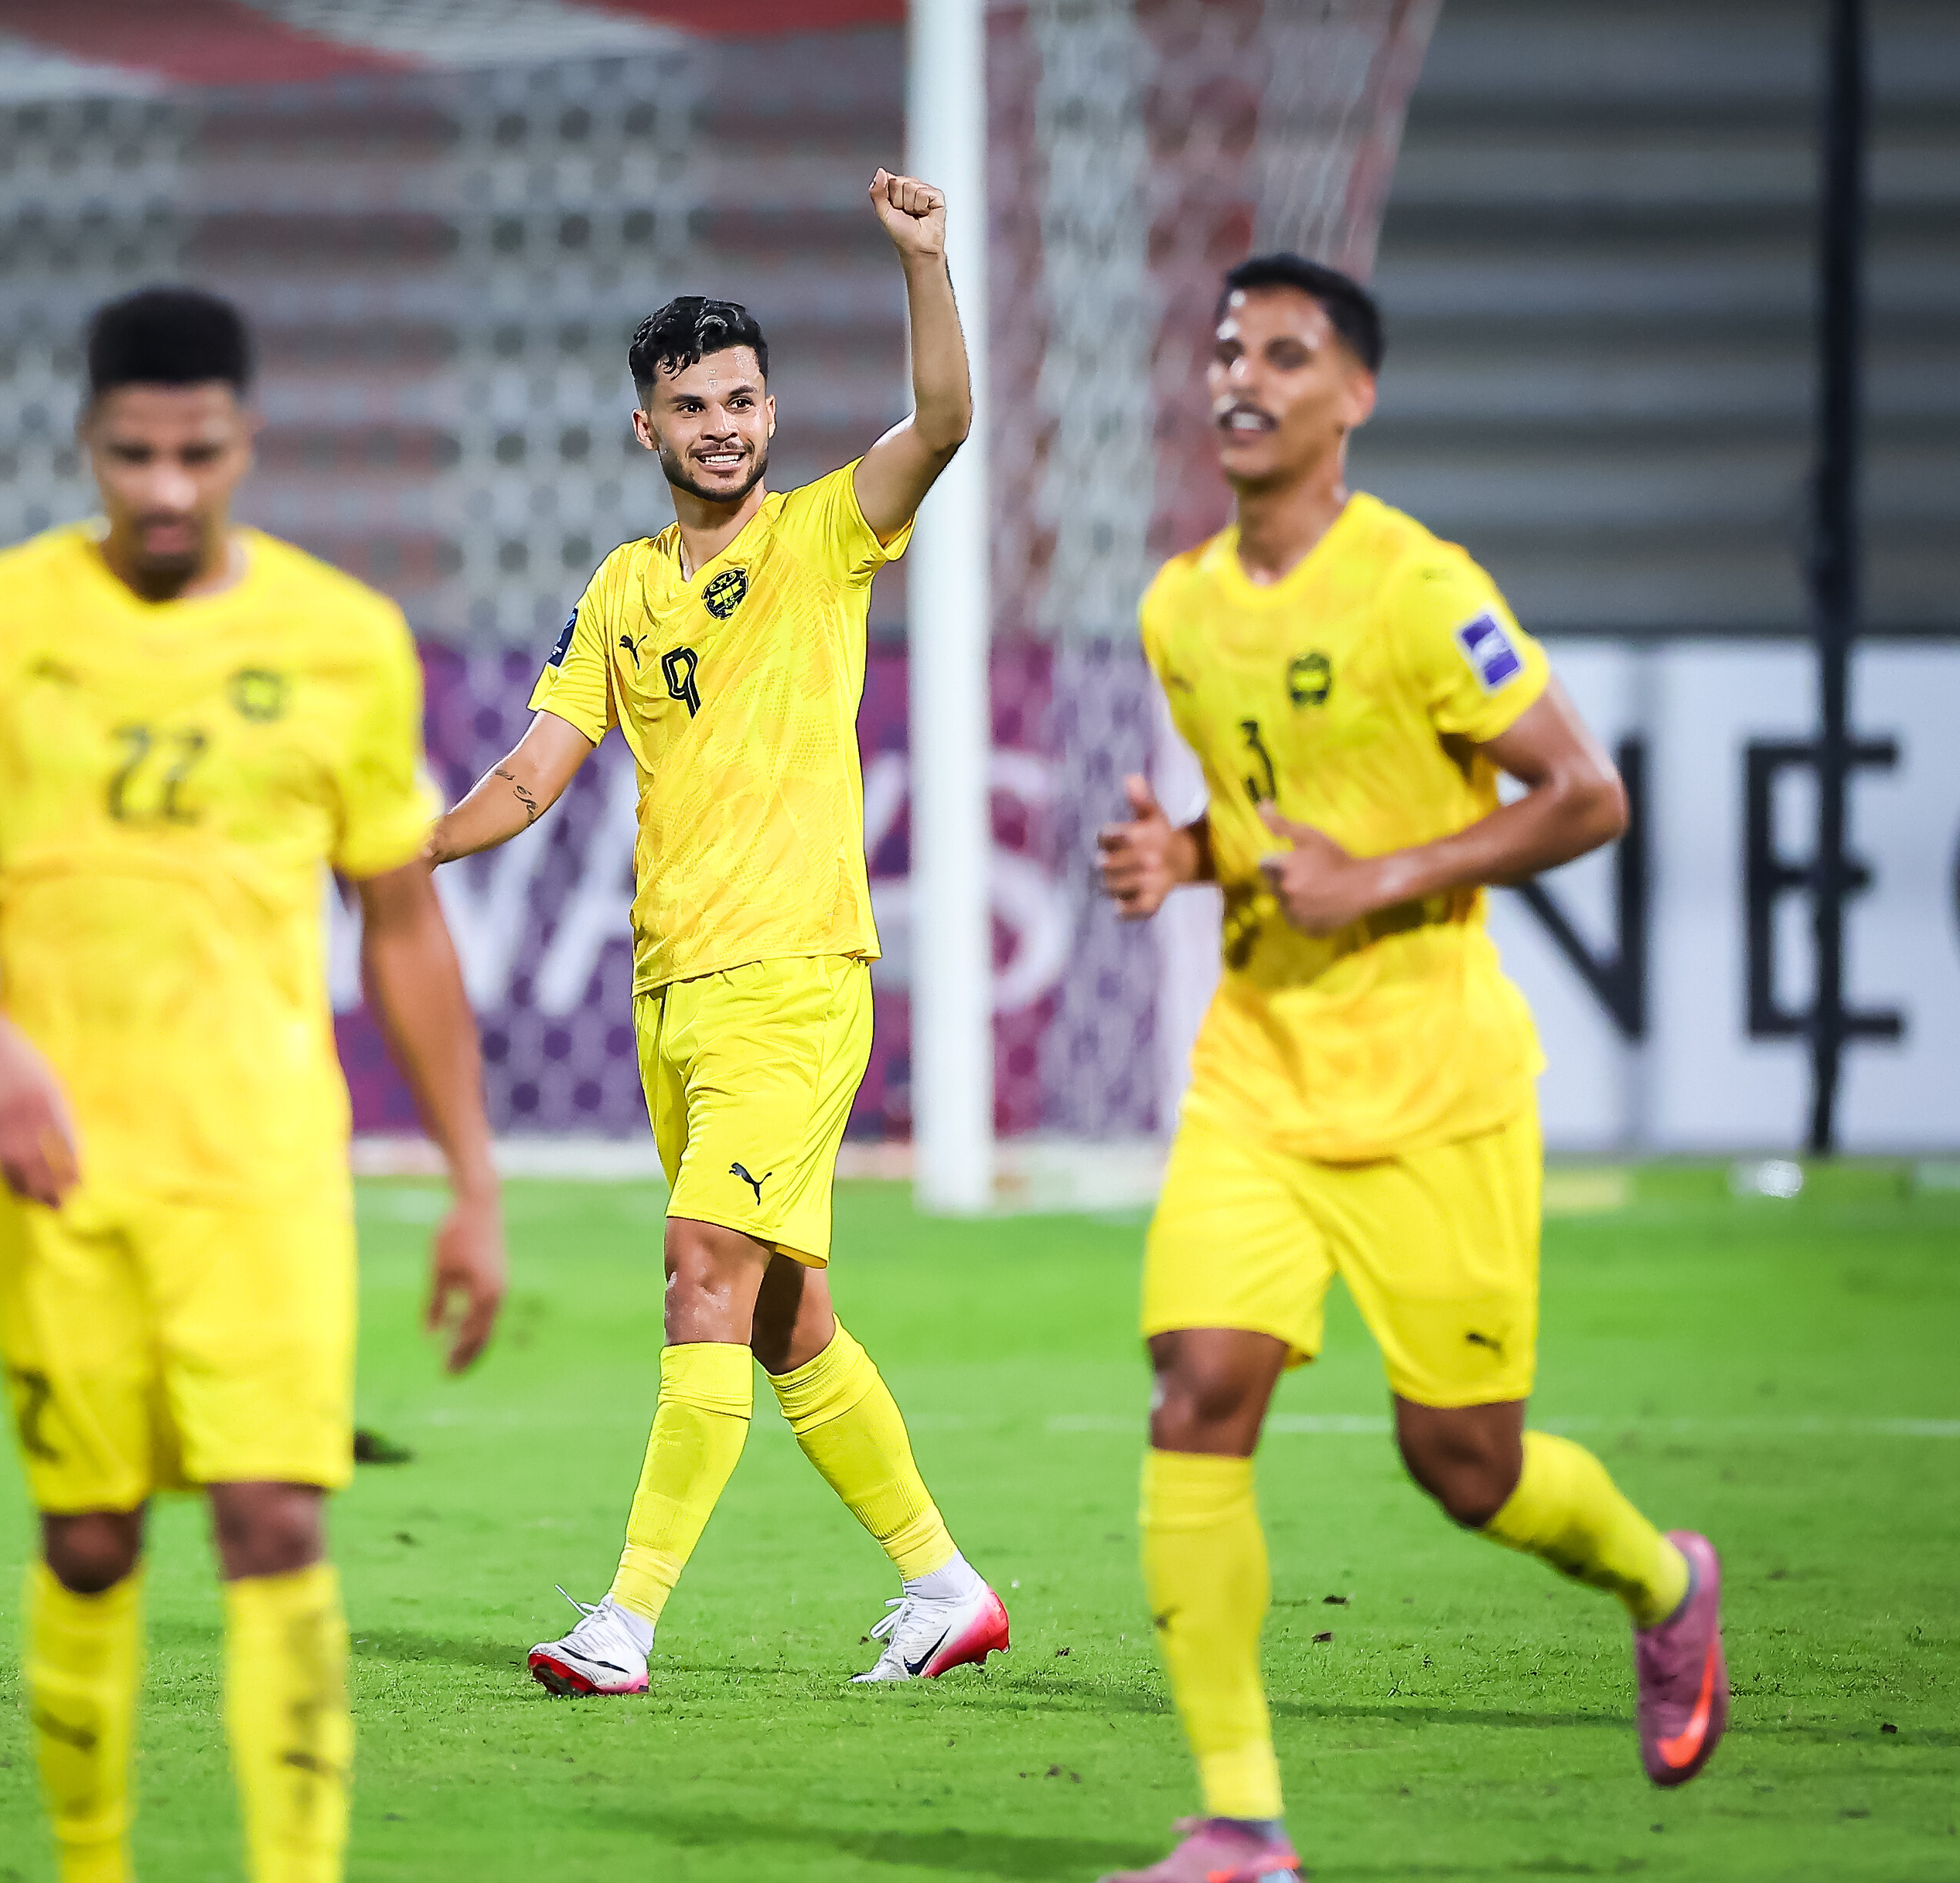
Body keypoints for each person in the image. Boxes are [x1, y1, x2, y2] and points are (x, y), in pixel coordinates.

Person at [1092, 254, 1727, 1883]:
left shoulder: (1419, 589)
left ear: (1353, 397)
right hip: (1256, 1073)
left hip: (1436, 1090)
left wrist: (1379, 879)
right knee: (1197, 1388)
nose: (1242, 377)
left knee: (1465, 1465)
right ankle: (1239, 1824)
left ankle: (1664, 1586)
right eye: (1227, 350)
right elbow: (1270, 815)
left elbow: (1583, 794)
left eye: (1285, 355)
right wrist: (1184, 854)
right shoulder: (1179, 609)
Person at [0, 286, 506, 1883]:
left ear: (246, 443)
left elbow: (401, 926)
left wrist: (471, 1183)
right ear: (87, 444)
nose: (165, 488)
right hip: (52, 1167)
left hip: (262, 1168)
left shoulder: (343, 638)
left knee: (275, 1524)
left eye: (197, 454)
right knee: (88, 1540)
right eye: (133, 455)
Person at [427, 170, 1007, 1696]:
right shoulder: (621, 590)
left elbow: (945, 421)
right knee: (781, 1318)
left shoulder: (825, 536)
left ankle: (623, 1623)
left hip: (796, 977)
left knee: (700, 1269)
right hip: (673, 992)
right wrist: (407, 845)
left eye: (742, 401)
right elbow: (534, 773)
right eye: (692, 407)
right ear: (649, 429)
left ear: (770, 412)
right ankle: (944, 1587)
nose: (723, 427)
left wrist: (924, 266)